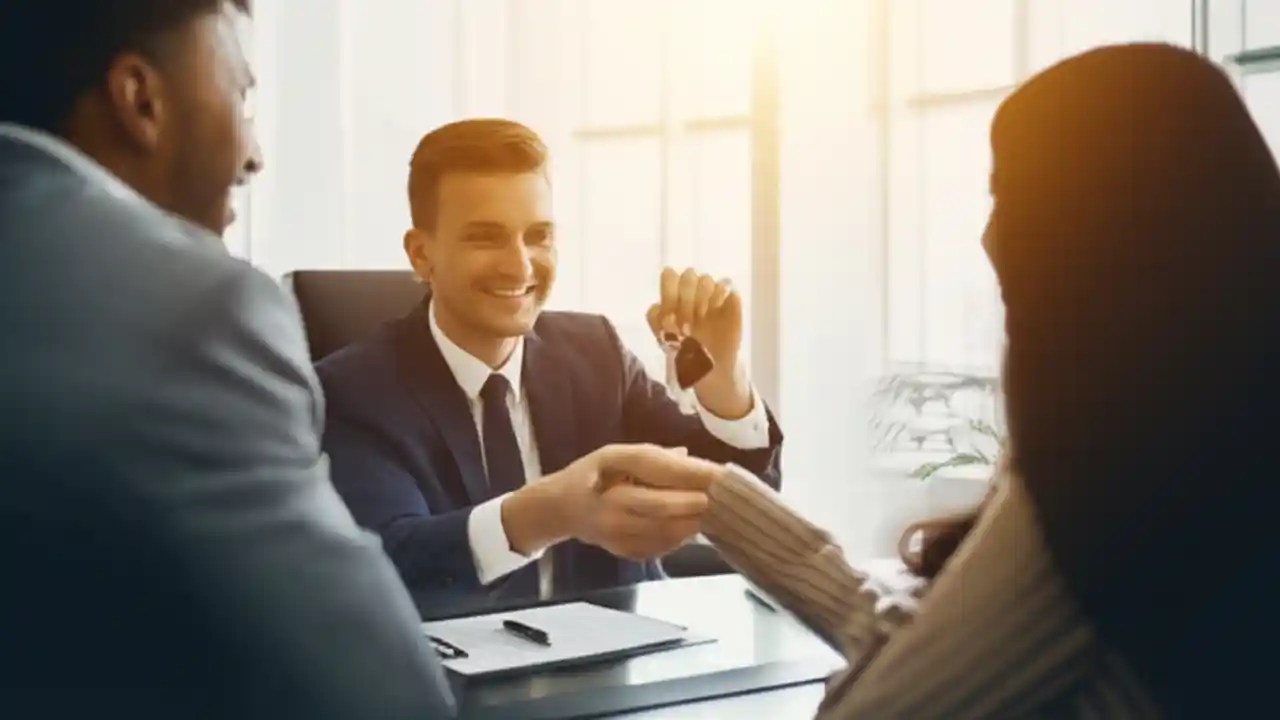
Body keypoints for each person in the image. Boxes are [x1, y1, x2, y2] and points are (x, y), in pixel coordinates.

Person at [630, 43, 1280, 717]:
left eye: (1011, 201)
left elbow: (887, 703)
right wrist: (720, 497)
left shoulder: (1115, 481)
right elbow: (955, 648)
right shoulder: (1215, 449)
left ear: (1095, 226)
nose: (990, 239)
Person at [0, 2, 457, 716]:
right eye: (241, 95)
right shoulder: (194, 312)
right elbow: (380, 694)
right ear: (140, 99)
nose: (254, 154)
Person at [316, 119, 783, 603]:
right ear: (420, 254)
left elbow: (747, 509)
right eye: (485, 237)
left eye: (538, 236)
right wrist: (549, 513)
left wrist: (723, 374)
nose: (520, 266)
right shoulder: (352, 392)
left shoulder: (595, 351)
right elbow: (392, 558)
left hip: (628, 664)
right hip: (456, 673)